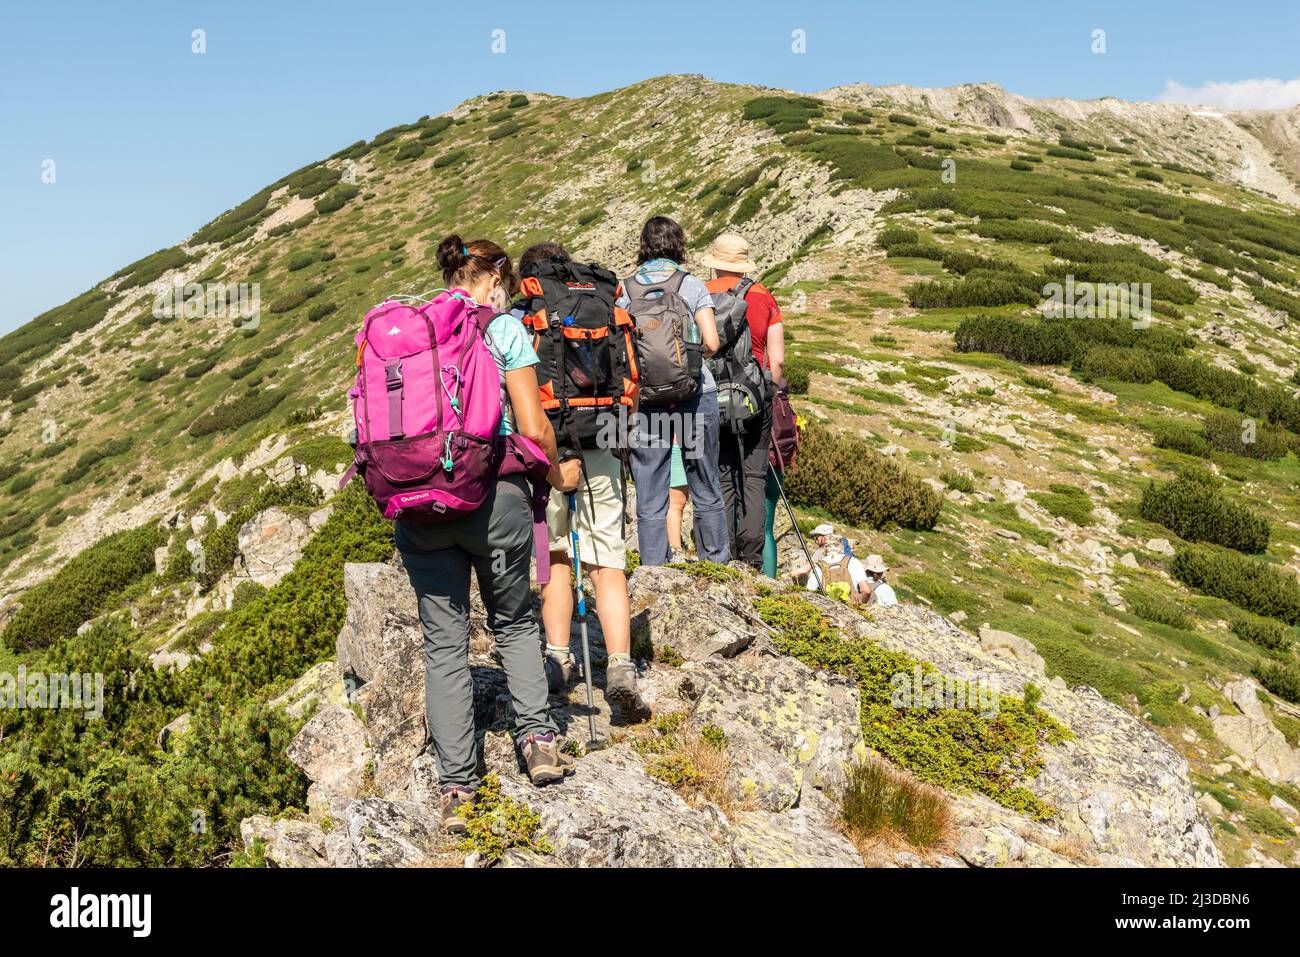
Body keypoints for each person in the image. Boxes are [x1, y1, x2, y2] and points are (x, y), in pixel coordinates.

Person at [397, 235, 581, 834]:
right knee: (514, 620)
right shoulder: (502, 330)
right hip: (494, 500)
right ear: (496, 278)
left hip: (421, 507)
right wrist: (558, 473)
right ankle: (538, 741)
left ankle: (457, 788)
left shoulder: (408, 329)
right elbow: (533, 427)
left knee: (443, 646)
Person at [517, 241, 646, 718]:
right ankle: (620, 667)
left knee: (552, 555)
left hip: (548, 447)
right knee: (607, 556)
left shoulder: (529, 307)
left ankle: (556, 658)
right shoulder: (601, 296)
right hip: (605, 436)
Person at [619, 216, 729, 566]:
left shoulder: (624, 290)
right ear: (678, 243)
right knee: (705, 483)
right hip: (695, 396)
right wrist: (689, 363)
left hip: (646, 401)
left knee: (650, 491)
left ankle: (654, 568)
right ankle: (715, 564)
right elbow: (711, 341)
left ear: (643, 245)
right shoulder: (691, 285)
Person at [703, 233, 783, 571]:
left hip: (711, 396)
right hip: (754, 397)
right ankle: (751, 558)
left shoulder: (701, 294)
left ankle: (724, 554)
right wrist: (769, 391)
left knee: (721, 473)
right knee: (752, 475)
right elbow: (776, 361)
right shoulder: (763, 296)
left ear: (715, 263)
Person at [801, 522, 870, 603]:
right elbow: (867, 591)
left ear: (826, 547)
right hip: (852, 608)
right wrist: (859, 605)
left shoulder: (819, 565)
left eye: (816, 538)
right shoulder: (853, 561)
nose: (815, 541)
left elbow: (810, 592)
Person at [666, 442, 690, 560]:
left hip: (677, 445)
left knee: (677, 504)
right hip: (676, 446)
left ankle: (674, 551)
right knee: (676, 504)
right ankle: (675, 552)